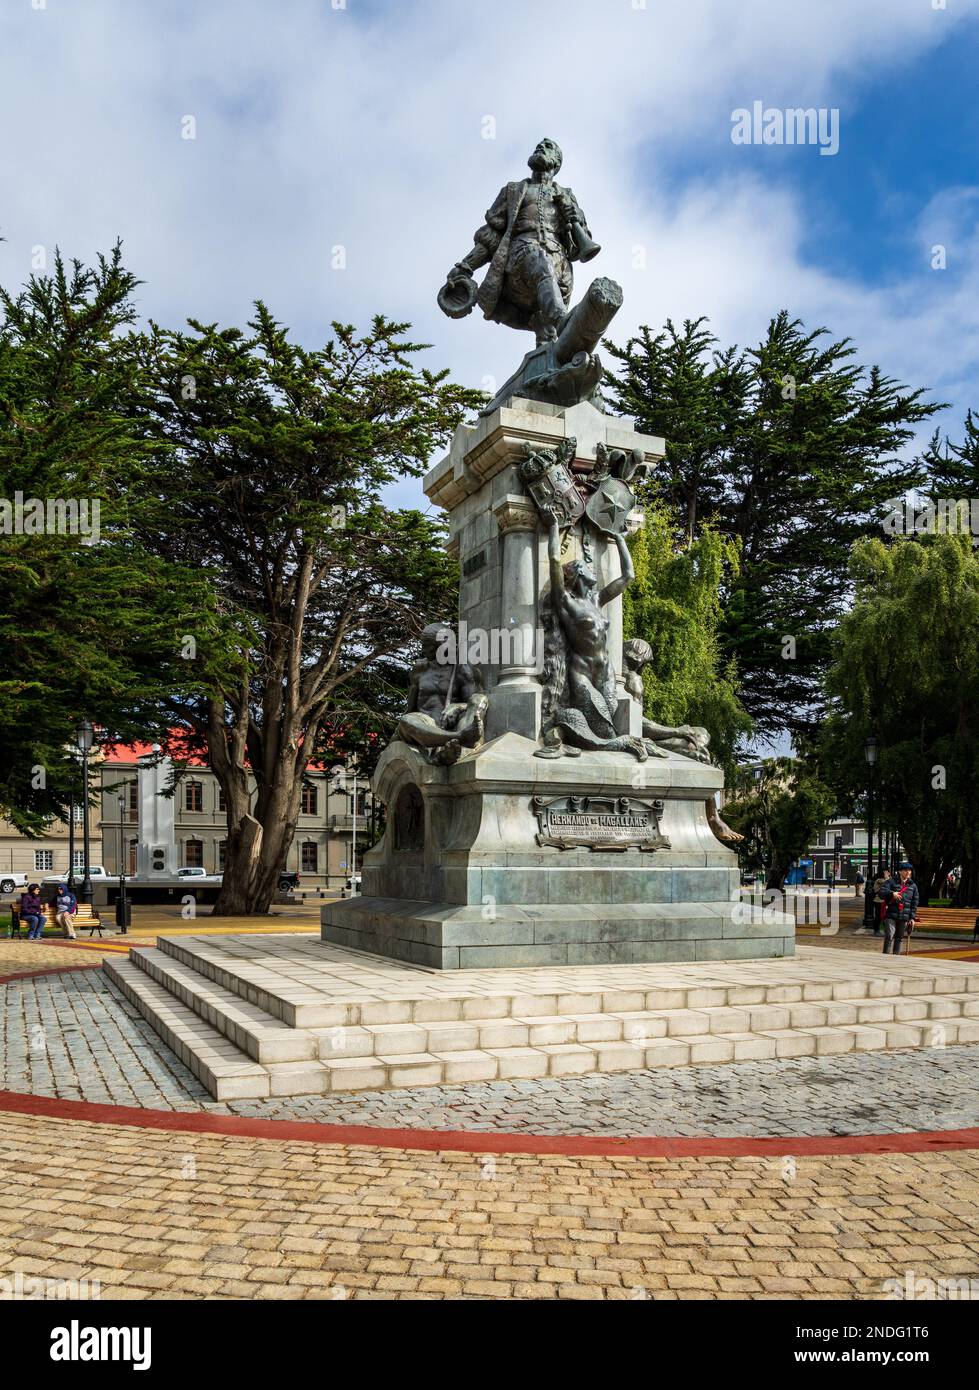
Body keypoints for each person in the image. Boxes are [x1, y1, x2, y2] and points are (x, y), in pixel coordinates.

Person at [881, 861, 920, 956]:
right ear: (900, 871)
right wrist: (892, 894)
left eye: (909, 870)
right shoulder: (891, 882)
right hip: (891, 914)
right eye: (905, 870)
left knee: (899, 938)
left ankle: (896, 958)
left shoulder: (913, 886)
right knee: (889, 936)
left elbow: (914, 904)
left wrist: (912, 918)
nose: (908, 872)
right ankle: (884, 957)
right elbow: (881, 893)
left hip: (904, 916)